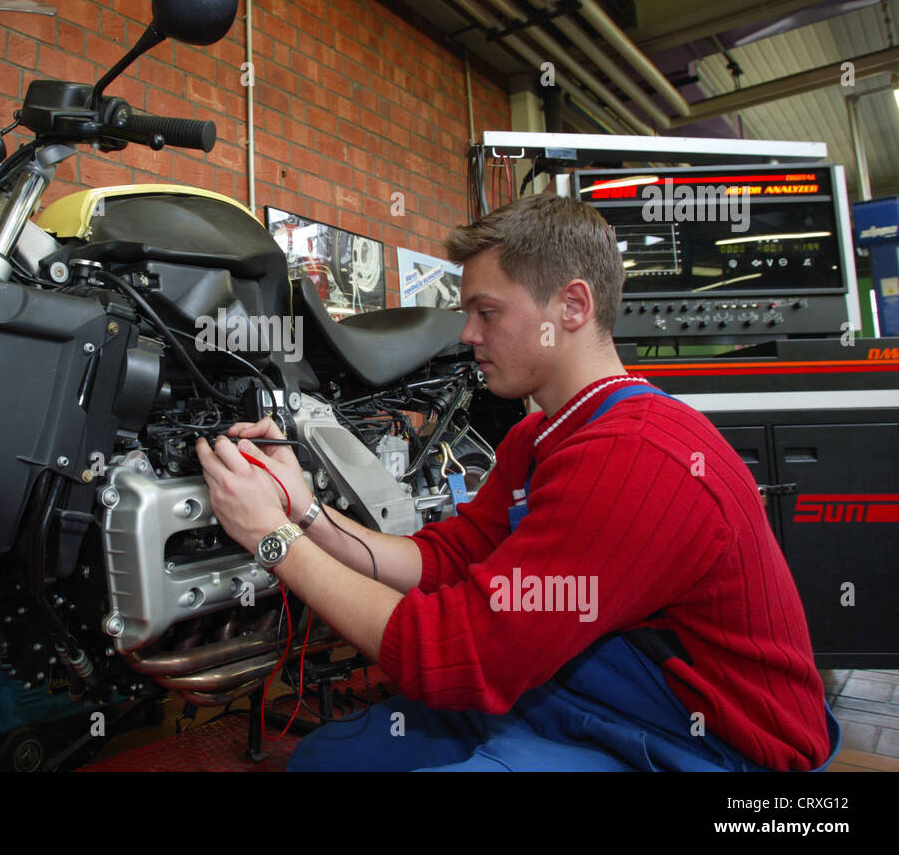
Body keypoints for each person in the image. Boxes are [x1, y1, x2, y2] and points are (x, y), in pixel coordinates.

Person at [195, 193, 840, 771]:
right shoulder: (539, 437)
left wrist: (272, 539)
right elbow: (446, 560)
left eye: (487, 312)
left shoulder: (640, 460)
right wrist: (305, 510)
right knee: (323, 760)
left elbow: (453, 655)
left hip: (709, 743)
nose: (468, 334)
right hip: (582, 688)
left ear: (573, 306)